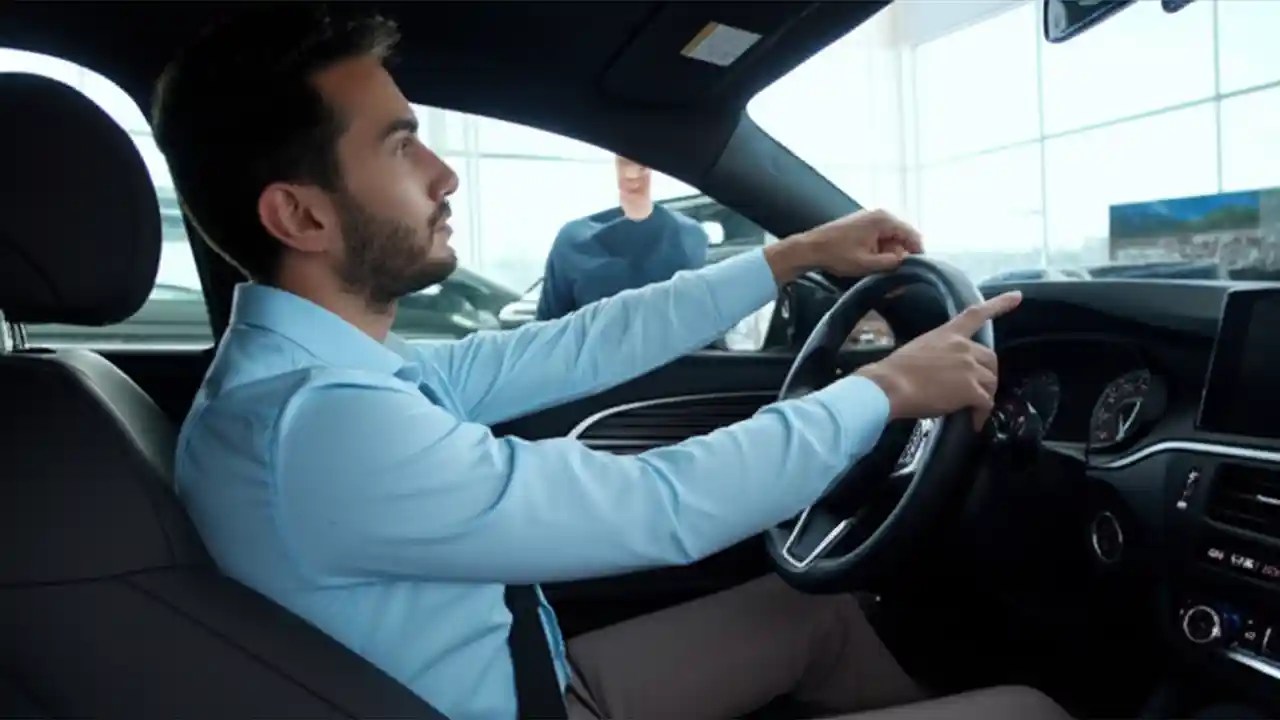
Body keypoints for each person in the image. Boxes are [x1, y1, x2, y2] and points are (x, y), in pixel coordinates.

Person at [153, 6, 1069, 720]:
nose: (443, 175)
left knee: (815, 613)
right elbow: (661, 507)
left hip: (534, 686)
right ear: (301, 217)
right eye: (400, 145)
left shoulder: (314, 379)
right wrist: (885, 390)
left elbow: (573, 345)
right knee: (1027, 708)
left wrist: (786, 257)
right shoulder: (319, 426)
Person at [535, 156, 708, 320]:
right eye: (625, 162)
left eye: (639, 165)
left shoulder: (690, 237)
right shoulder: (573, 240)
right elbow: (546, 330)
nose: (631, 174)